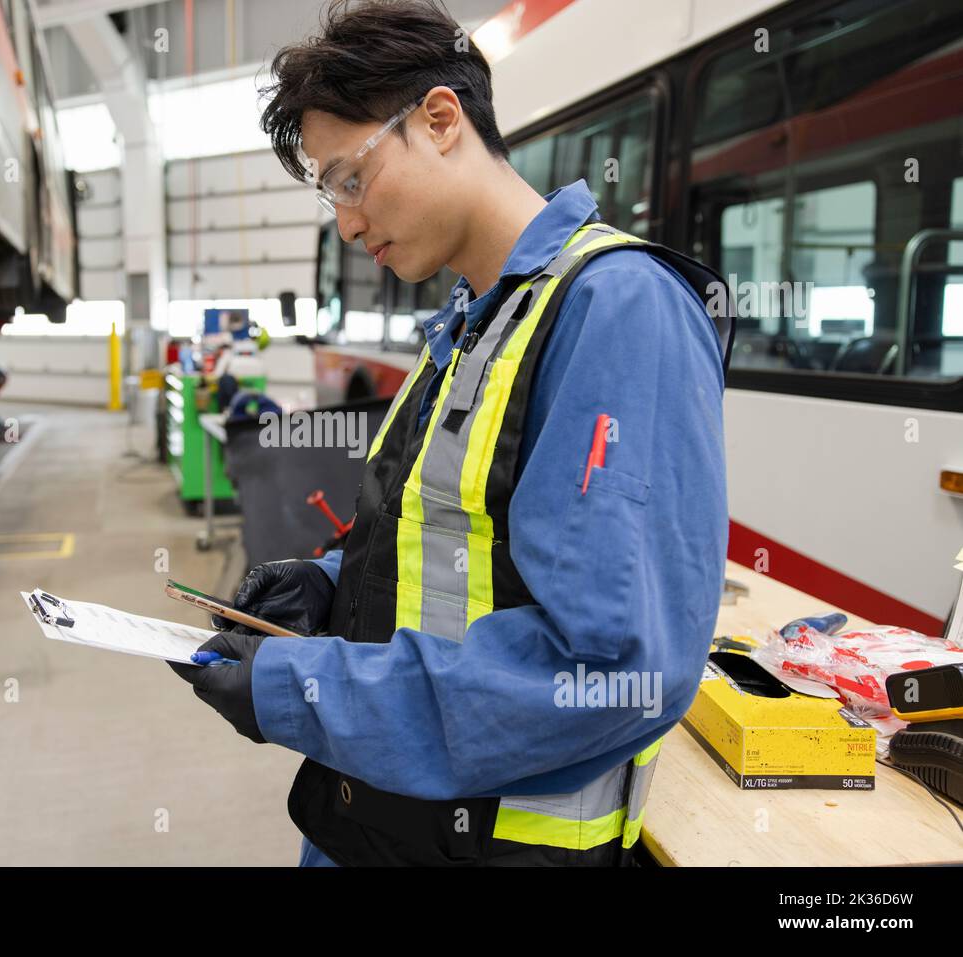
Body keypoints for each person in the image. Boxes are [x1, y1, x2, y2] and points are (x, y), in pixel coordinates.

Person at [169, 0, 734, 866]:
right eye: (331, 195)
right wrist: (327, 589)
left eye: (350, 179)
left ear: (439, 120)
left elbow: (608, 671)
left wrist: (302, 687)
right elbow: (454, 548)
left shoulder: (618, 311)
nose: (349, 224)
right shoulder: (471, 326)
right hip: (380, 822)